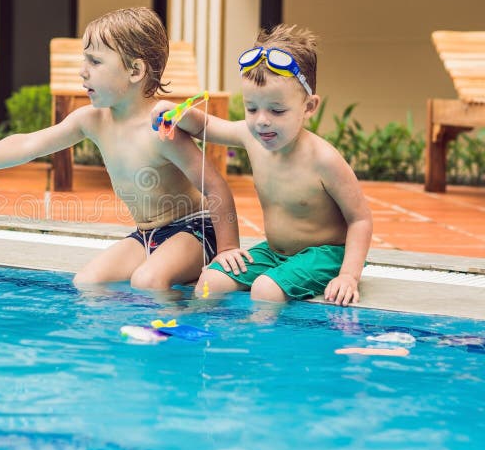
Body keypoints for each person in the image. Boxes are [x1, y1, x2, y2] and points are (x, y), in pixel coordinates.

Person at [0, 7, 241, 290]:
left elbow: (214, 184)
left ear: (135, 71)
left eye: (94, 61)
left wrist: (227, 249)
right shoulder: (92, 120)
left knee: (147, 280)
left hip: (195, 231)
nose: (82, 70)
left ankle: (174, 329)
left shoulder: (160, 130)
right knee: (88, 283)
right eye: (84, 59)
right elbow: (29, 143)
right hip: (146, 235)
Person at [151, 24, 372, 306]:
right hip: (275, 252)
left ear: (309, 106)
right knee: (211, 282)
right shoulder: (251, 136)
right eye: (252, 108)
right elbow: (205, 124)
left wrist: (348, 276)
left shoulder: (323, 160)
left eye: (277, 110)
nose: (262, 120)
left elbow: (360, 219)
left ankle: (260, 348)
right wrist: (175, 112)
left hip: (325, 254)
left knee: (265, 290)